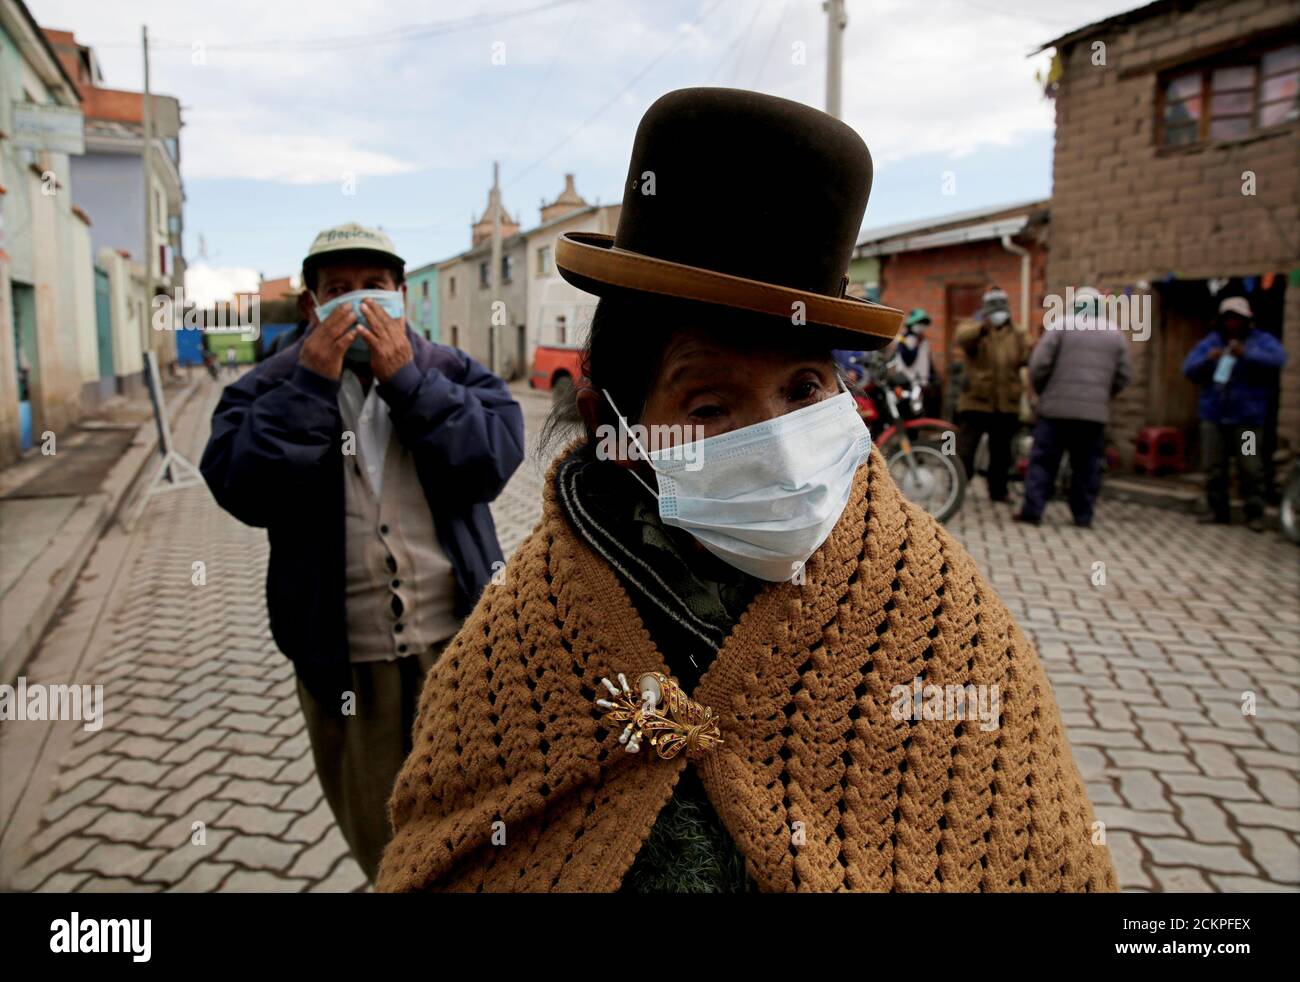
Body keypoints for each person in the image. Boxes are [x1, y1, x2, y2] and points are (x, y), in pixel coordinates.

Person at [375, 89, 1115, 893]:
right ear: (610, 424)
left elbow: (1043, 856)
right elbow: (440, 856)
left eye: (804, 389)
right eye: (708, 405)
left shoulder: (942, 617)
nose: (779, 446)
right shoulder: (524, 635)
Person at [200, 222, 525, 880]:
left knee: (479, 830)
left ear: (404, 295)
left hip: (459, 653)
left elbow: (489, 462)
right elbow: (244, 488)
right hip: (347, 666)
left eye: (374, 288)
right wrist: (309, 386)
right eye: (337, 290)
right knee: (383, 842)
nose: (356, 304)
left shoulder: (451, 372)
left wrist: (407, 382)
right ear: (309, 307)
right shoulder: (264, 390)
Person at [1017, 287, 1131, 528]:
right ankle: (1083, 516)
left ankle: (1033, 511)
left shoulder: (1061, 326)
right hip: (1093, 416)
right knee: (1087, 466)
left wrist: (1042, 390)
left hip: (1055, 412)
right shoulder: (1114, 334)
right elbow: (1123, 376)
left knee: (1044, 462)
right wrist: (1102, 396)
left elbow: (1038, 365)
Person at [1182, 295, 1287, 532]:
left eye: (1237, 318)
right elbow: (1188, 368)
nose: (1232, 323)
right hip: (1214, 417)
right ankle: (1217, 510)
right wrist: (1208, 360)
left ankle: (1254, 513)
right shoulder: (1212, 343)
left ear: (1247, 320)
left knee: (1249, 466)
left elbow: (1277, 359)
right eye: (1228, 318)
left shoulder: (1260, 341)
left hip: (1247, 420)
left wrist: (1245, 354)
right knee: (1214, 465)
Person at [953, 288, 1029, 503]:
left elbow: (1027, 356)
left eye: (1001, 308)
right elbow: (962, 337)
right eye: (993, 308)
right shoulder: (975, 329)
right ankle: (957, 486)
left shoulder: (1017, 333)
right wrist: (983, 327)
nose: (998, 313)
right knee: (966, 448)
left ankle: (999, 490)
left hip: (1006, 403)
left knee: (1002, 452)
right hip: (976, 400)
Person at [890, 307, 941, 416]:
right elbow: (908, 360)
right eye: (920, 323)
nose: (922, 327)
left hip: (922, 382)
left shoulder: (924, 341)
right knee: (909, 414)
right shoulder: (903, 339)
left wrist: (932, 376)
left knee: (922, 413)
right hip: (906, 382)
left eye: (924, 323)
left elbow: (927, 360)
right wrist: (917, 344)